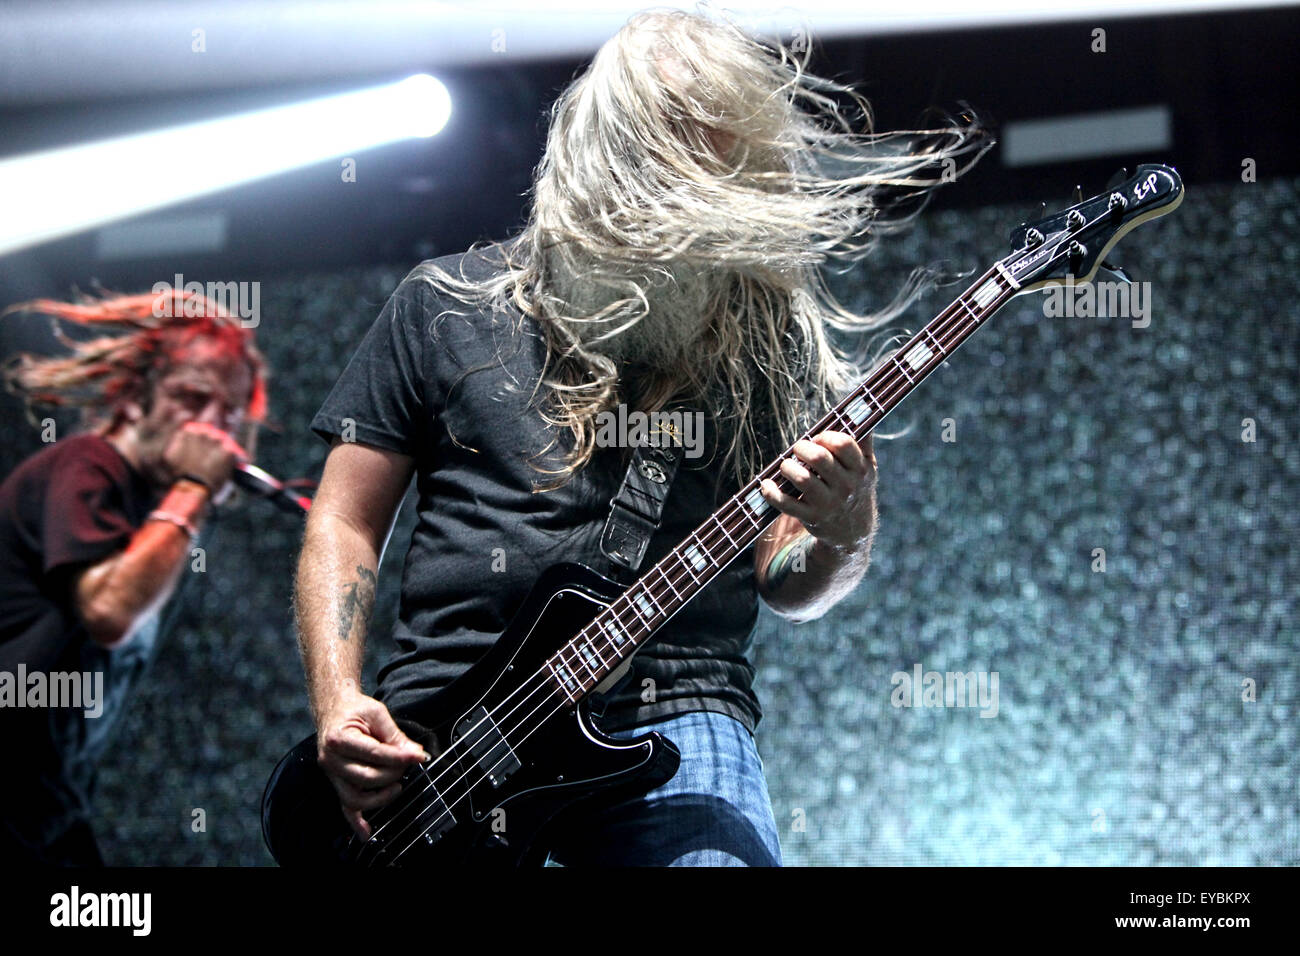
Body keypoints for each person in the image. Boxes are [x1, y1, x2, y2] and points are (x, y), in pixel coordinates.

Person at [294, 9, 990, 865]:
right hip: (441, 738)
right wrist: (338, 704)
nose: (693, 198)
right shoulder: (443, 303)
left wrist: (846, 531)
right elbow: (344, 521)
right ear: (601, 158)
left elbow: (785, 578)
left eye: (717, 167)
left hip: (679, 709)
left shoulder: (765, 338)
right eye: (669, 162)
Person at [0, 289, 267, 865]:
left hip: (47, 811)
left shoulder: (147, 509)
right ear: (135, 395)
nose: (213, 427)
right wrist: (194, 489)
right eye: (191, 399)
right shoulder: (85, 465)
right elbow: (109, 611)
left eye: (230, 413)